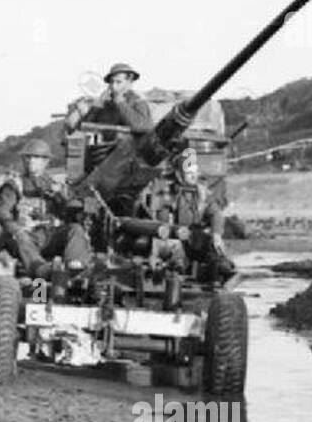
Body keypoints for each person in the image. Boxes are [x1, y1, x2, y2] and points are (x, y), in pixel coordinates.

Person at [0, 138, 93, 275]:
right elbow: (3, 214)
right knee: (20, 237)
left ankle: (74, 266)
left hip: (49, 235)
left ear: (46, 162)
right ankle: (40, 269)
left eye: (36, 158)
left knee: (75, 229)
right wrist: (16, 229)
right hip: (26, 236)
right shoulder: (14, 186)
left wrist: (63, 198)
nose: (30, 161)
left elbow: (67, 212)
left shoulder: (54, 184)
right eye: (27, 157)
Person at [163, 148, 236, 284]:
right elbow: (162, 216)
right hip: (174, 236)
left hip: (195, 236)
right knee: (175, 255)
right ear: (179, 174)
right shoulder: (169, 192)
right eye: (188, 173)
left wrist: (216, 235)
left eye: (194, 172)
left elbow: (216, 213)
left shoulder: (203, 193)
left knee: (215, 249)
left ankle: (216, 278)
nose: (193, 176)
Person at [65, 62, 154, 136]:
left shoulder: (138, 101)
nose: (113, 86)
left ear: (129, 82)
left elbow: (142, 127)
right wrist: (96, 107)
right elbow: (85, 127)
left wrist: (120, 102)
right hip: (104, 152)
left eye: (119, 82)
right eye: (111, 82)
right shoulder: (105, 103)